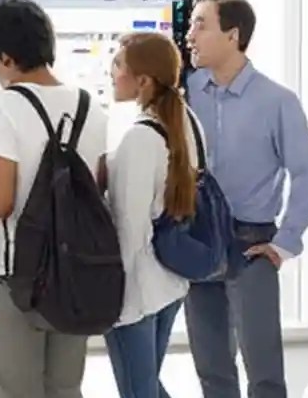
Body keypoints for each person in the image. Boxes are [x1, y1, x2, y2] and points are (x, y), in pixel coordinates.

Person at [0, 0, 109, 398]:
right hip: (75, 269)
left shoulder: (4, 109)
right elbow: (95, 189)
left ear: (5, 57)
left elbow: (0, 203)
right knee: (65, 387)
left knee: (14, 390)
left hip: (14, 274)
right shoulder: (91, 107)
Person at [183, 0, 308, 398]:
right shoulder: (185, 93)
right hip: (197, 240)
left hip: (251, 244)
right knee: (211, 369)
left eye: (200, 24)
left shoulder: (277, 101)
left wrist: (285, 242)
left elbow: (307, 173)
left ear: (233, 35)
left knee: (264, 372)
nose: (190, 35)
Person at [104, 32, 200, 398]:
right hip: (171, 278)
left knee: (138, 391)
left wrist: (122, 305)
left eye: (118, 65)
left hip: (138, 290)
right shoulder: (188, 122)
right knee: (147, 387)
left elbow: (130, 227)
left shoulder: (140, 137)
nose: (111, 72)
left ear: (143, 80)